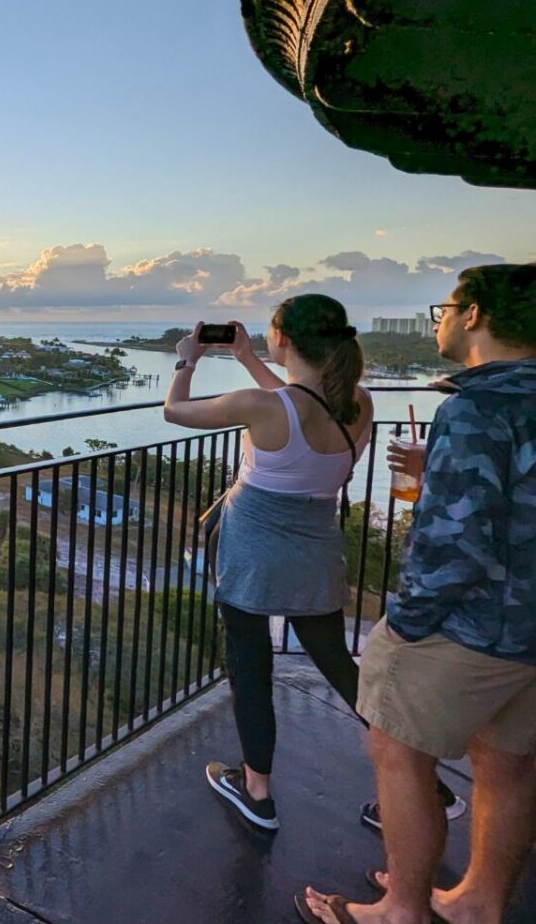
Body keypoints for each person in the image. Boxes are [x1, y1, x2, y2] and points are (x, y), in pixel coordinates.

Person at [300, 263, 536, 924]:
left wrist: (404, 622)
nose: (439, 318)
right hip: (530, 629)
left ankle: (400, 908)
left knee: (397, 753)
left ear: (475, 315)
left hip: (470, 627)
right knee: (509, 762)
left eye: (446, 305)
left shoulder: (479, 404)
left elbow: (456, 545)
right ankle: (480, 901)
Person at [164, 294, 377, 831]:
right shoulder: (360, 404)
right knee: (338, 664)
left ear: (282, 338)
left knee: (249, 665)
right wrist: (246, 360)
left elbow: (174, 411)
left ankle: (257, 792)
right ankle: (421, 777)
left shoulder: (261, 407)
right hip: (316, 548)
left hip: (254, 551)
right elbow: (305, 404)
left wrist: (187, 359)